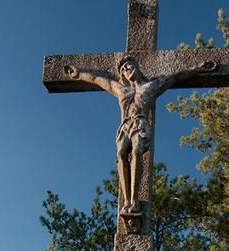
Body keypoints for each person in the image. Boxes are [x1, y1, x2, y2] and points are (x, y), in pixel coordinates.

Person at [65, 56, 215, 227]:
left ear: (137, 65)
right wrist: (79, 74)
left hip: (141, 123)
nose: (126, 70)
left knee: (137, 151)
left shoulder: (151, 87)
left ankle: (134, 200)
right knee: (121, 153)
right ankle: (127, 200)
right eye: (122, 69)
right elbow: (97, 79)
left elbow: (176, 77)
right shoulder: (120, 88)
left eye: (128, 66)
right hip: (125, 125)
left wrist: (197, 68)